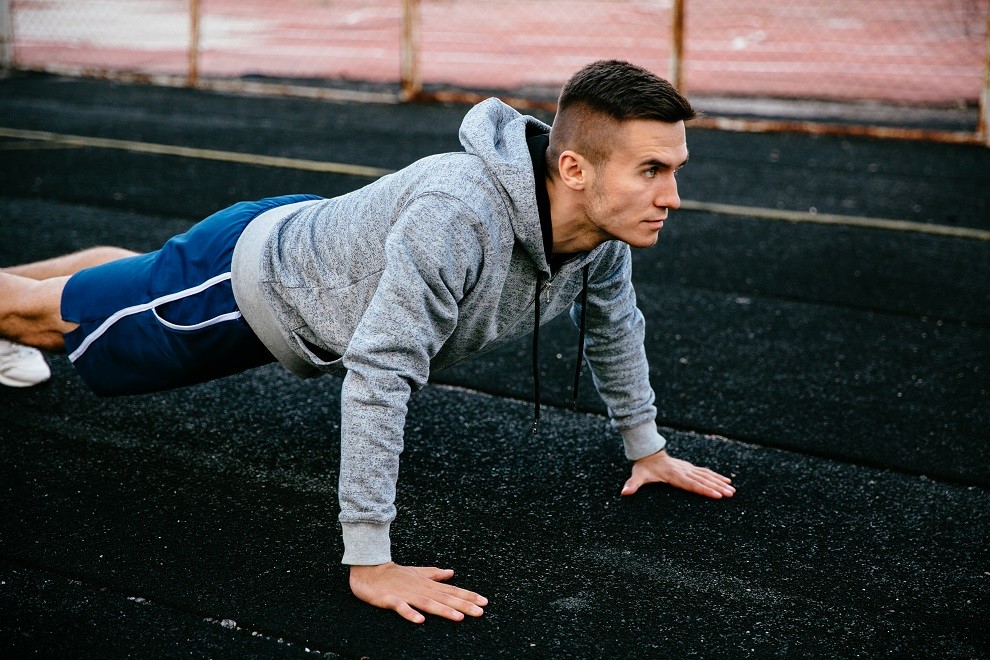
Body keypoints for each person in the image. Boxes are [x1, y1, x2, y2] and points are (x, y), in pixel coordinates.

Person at [0, 59, 735, 624]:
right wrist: (370, 560)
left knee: (127, 284)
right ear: (573, 168)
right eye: (652, 171)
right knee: (43, 320)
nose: (672, 196)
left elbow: (615, 328)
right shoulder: (459, 217)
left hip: (304, 243)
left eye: (674, 170)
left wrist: (648, 447)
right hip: (252, 286)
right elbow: (381, 375)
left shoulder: (601, 237)